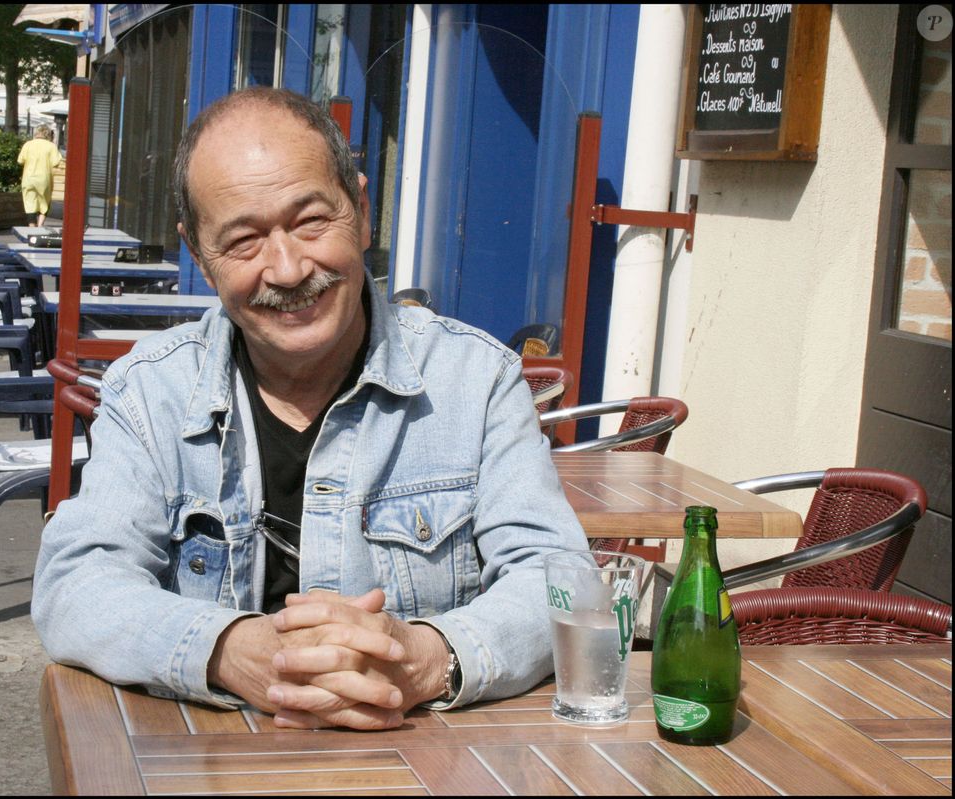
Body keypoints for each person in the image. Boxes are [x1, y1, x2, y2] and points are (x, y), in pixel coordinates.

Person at [32, 87, 587, 731]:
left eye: (311, 221)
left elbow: (562, 580)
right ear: (199, 259)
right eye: (243, 241)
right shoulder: (149, 392)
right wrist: (226, 649)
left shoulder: (477, 381)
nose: (290, 268)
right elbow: (76, 582)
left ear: (362, 207)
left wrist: (426, 658)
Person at [16, 125, 62, 227]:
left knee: (29, 203)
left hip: (28, 178)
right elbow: (56, 162)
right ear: (48, 134)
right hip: (44, 179)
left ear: (36, 133)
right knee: (44, 203)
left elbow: (20, 161)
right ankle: (40, 226)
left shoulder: (28, 145)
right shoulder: (51, 146)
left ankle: (31, 227)